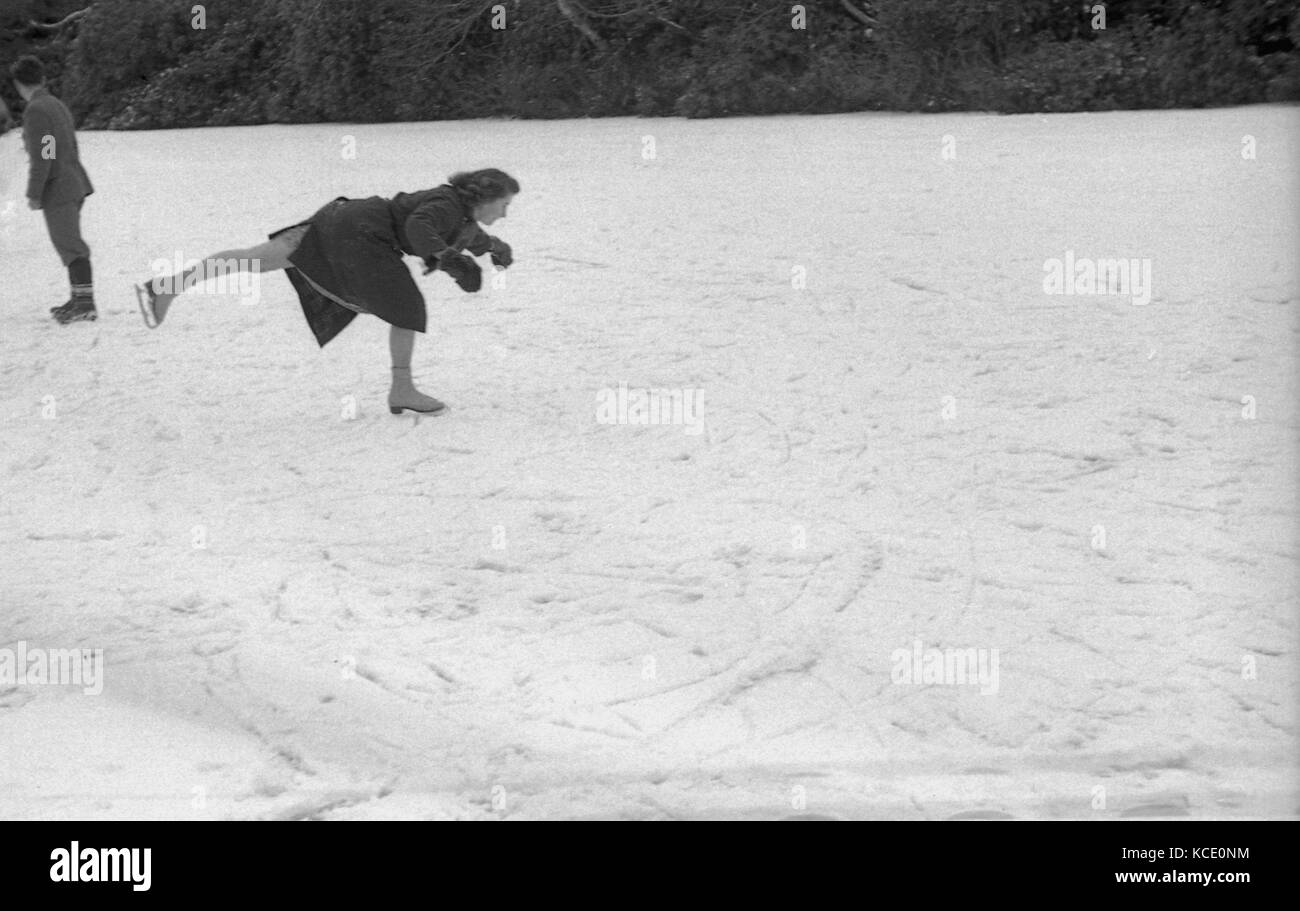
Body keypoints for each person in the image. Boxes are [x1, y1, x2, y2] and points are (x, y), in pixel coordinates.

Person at [136, 168, 518, 415]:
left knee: (255, 259)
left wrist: (495, 249)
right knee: (407, 307)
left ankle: (169, 286)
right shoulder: (446, 205)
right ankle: (402, 389)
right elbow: (421, 229)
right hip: (360, 232)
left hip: (343, 219)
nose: (504, 212)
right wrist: (451, 260)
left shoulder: (457, 211)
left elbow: (467, 235)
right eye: (503, 205)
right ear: (483, 198)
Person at [10, 56, 96, 324]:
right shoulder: (55, 104)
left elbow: (44, 156)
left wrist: (34, 192)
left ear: (18, 84)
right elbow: (67, 145)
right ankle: (78, 299)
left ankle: (85, 304)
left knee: (70, 245)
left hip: (58, 188)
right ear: (42, 79)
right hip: (74, 182)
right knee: (69, 244)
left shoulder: (36, 110)